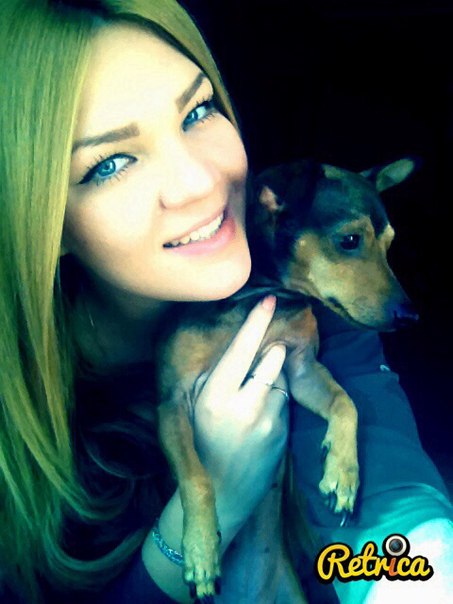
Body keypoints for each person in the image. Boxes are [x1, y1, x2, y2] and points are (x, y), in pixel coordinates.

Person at [0, 1, 451, 603]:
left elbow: (393, 486)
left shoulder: (310, 294)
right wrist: (214, 502)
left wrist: (422, 565)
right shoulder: (22, 425)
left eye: (198, 111)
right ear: (40, 223)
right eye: (110, 163)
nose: (203, 183)